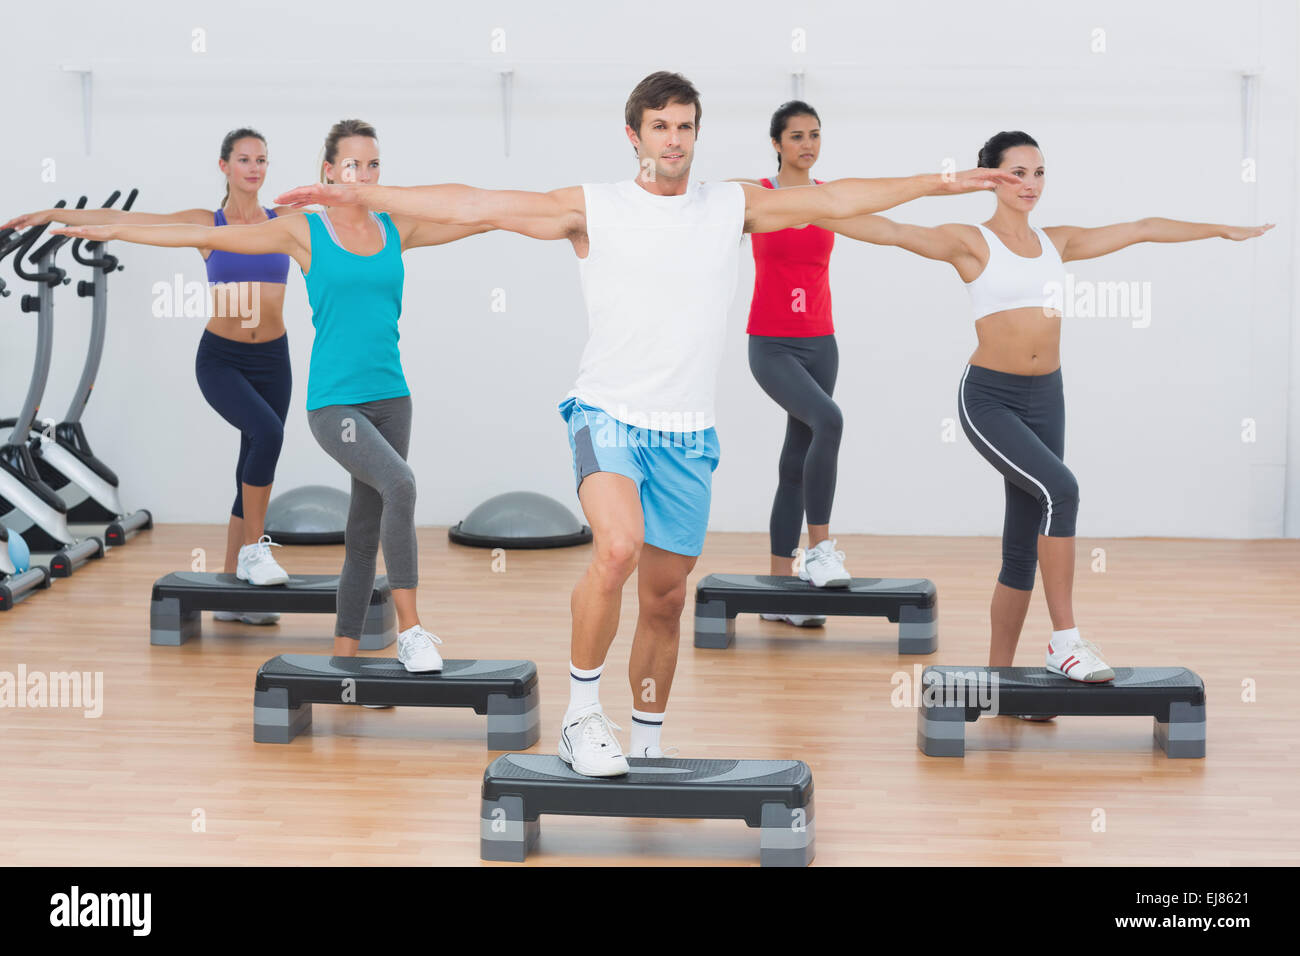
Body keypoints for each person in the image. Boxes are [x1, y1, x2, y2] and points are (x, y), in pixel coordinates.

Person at [272, 72, 1016, 773]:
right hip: (607, 416)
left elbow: (840, 200)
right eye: (659, 126)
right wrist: (361, 193)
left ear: (696, 134)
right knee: (617, 549)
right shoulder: (593, 206)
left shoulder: (732, 205)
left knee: (665, 599)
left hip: (688, 435)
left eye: (684, 127)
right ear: (633, 134)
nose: (673, 140)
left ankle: (650, 743)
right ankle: (582, 715)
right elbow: (477, 203)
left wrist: (947, 180)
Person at [813, 130, 1273, 692]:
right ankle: (1065, 641)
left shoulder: (1059, 243)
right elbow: (887, 231)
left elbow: (1144, 228)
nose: (1030, 184)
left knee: (1020, 544)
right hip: (989, 398)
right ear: (990, 177)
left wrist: (1221, 230)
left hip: (1047, 398)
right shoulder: (971, 242)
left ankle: (997, 681)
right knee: (1063, 489)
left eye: (1038, 172)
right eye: (1017, 173)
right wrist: (803, 206)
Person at [52, 118, 494, 672]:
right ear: (328, 171)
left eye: (373, 164)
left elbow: (469, 212)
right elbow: (200, 235)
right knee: (399, 482)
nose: (363, 174)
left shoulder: (393, 227)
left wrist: (541, 217)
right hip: (335, 403)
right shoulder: (304, 230)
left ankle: (343, 663)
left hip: (391, 397)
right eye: (351, 165)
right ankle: (413, 631)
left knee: (362, 534)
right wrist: (103, 227)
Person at [5, 128, 300, 622]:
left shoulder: (285, 222)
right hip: (223, 358)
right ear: (224, 166)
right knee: (267, 433)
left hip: (275, 358)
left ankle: (233, 596)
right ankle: (255, 552)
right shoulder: (208, 223)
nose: (254, 168)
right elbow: (131, 220)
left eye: (262, 160)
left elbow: (343, 224)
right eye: (244, 159)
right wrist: (58, 215)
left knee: (252, 459)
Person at [730, 101, 848, 630]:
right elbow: (701, 201)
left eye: (814, 134)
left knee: (795, 459)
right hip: (772, 345)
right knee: (829, 420)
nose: (807, 143)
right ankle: (820, 552)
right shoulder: (756, 195)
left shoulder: (828, 197)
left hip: (821, 342)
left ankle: (779, 593)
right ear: (776, 142)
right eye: (796, 135)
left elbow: (880, 222)